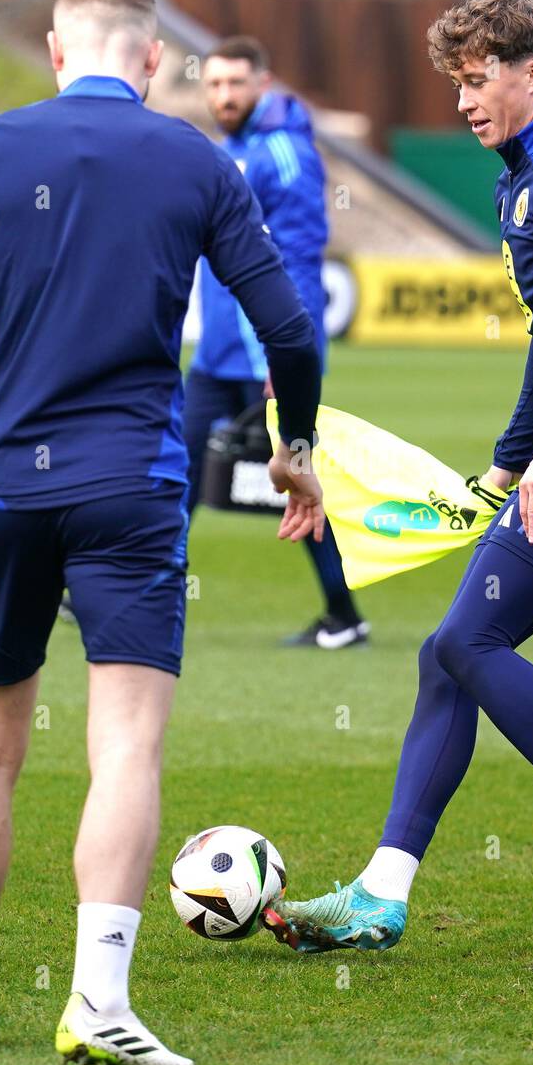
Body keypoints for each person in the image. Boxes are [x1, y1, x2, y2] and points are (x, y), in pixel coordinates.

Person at [0, 0, 323, 1065]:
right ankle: (96, 1001)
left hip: (4, 488)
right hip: (132, 491)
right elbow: (290, 331)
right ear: (151, 60)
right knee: (125, 749)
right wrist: (291, 450)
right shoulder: (196, 158)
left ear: (59, 53)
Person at [262, 0, 533, 962]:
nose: (461, 99)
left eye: (478, 77)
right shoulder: (519, 182)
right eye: (455, 80)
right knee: (447, 653)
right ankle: (382, 890)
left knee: (470, 639)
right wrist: (504, 463)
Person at [185, 36, 368, 650]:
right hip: (216, 358)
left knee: (297, 482)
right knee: (174, 469)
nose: (224, 96)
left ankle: (343, 614)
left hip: (264, 359)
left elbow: (297, 266)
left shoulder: (285, 152)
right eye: (213, 85)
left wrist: (284, 362)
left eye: (235, 84)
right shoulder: (232, 150)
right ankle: (138, 590)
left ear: (263, 84)